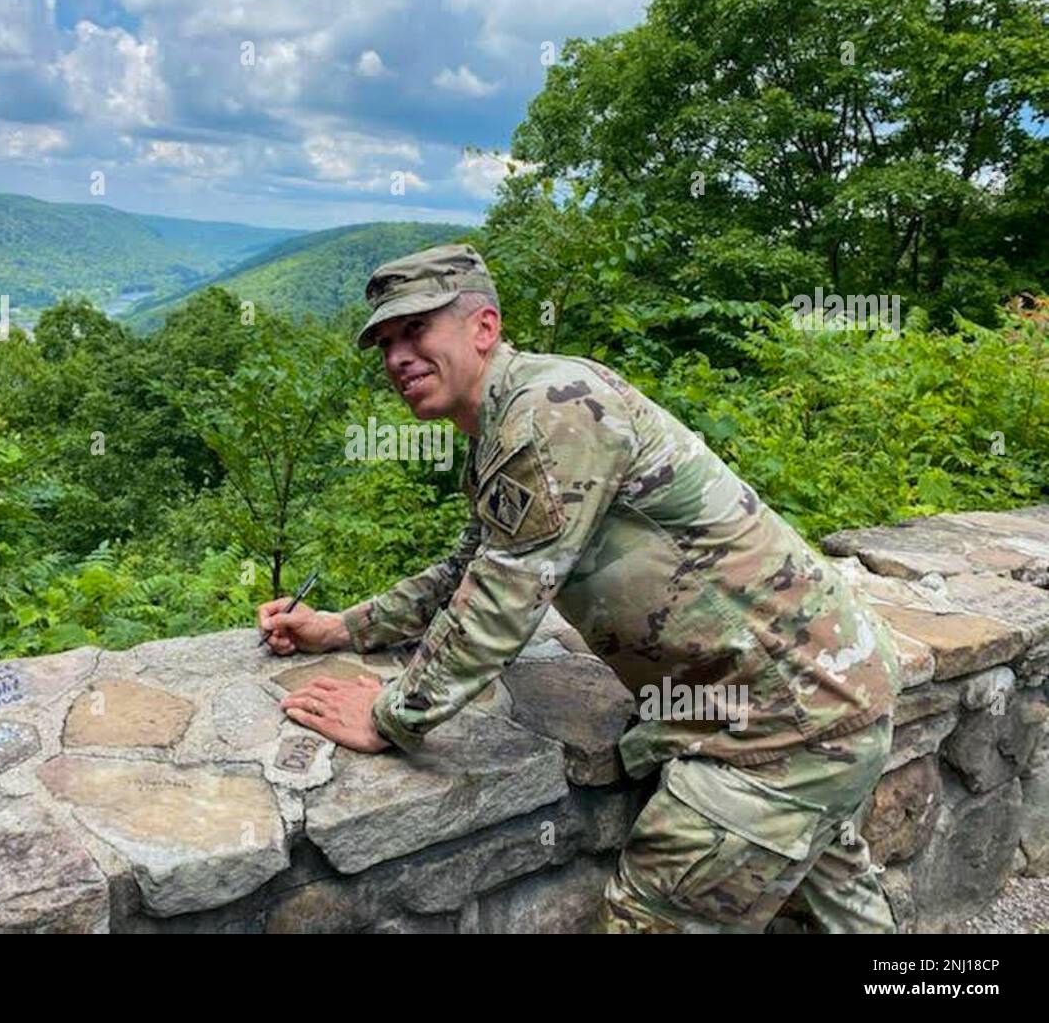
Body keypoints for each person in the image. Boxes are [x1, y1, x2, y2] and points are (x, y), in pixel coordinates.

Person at [257, 243, 900, 933]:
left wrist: (392, 716)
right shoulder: (513, 418)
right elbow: (466, 571)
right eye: (385, 341)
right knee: (834, 915)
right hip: (820, 697)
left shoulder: (549, 413)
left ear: (484, 327)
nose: (397, 358)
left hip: (778, 725)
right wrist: (340, 628)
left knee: (647, 919)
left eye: (417, 329)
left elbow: (502, 603)